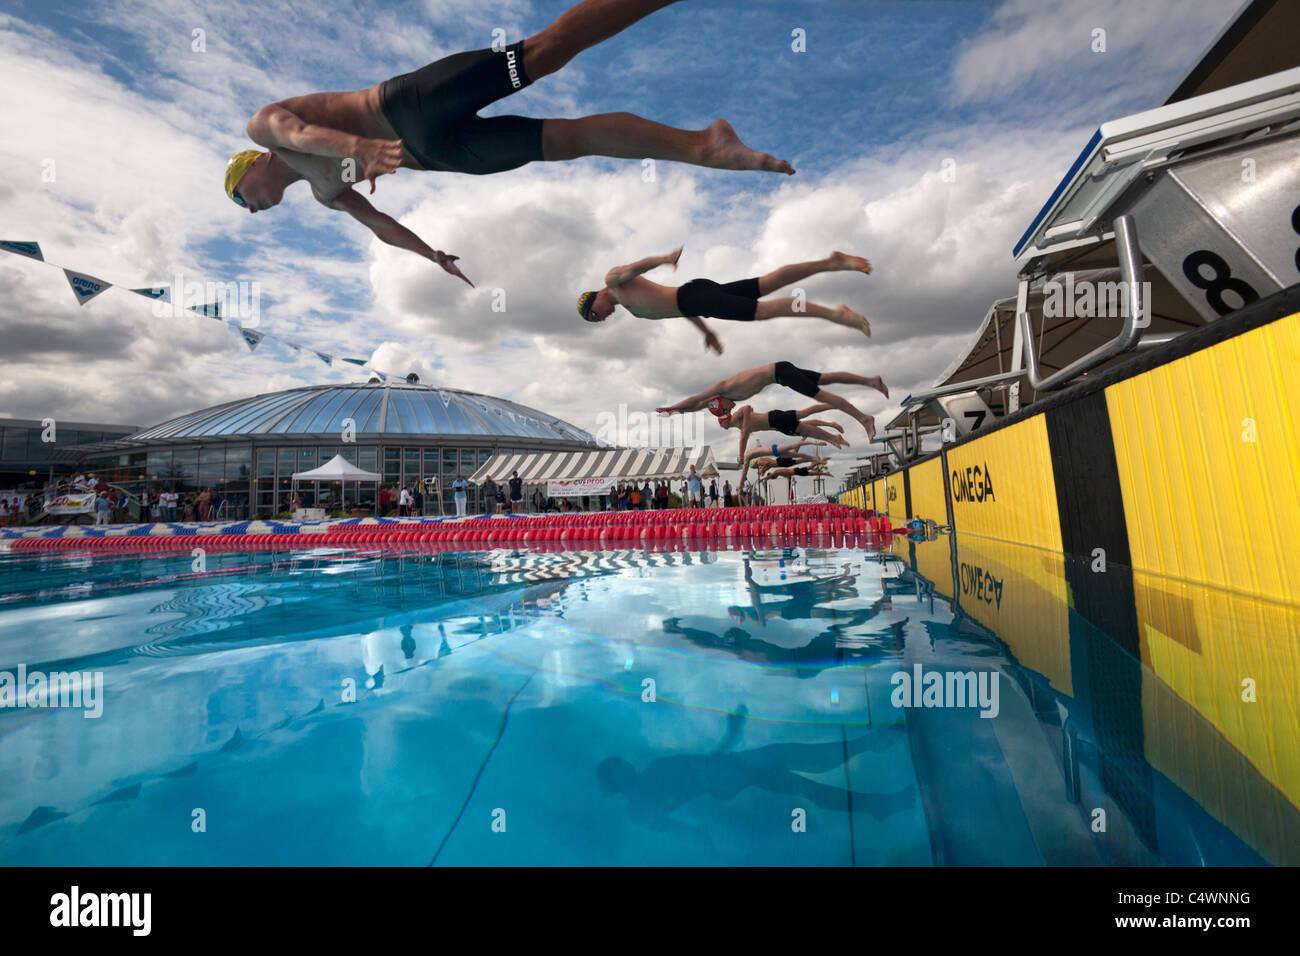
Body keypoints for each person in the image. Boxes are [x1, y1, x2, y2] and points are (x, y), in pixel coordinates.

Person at [224, 0, 791, 281]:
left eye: (239, 199)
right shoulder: (325, 195)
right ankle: (703, 145)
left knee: (542, 55)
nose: (249, 210)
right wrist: (431, 254)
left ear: (247, 169)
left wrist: (363, 148)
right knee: (570, 141)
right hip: (444, 155)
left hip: (408, 106)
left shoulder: (262, 127)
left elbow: (299, 133)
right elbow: (379, 224)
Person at [577, 250, 872, 352]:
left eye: (593, 316)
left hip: (696, 295)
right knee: (766, 283)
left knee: (766, 311)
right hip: (695, 297)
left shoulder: (612, 281)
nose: (599, 320)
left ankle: (837, 315)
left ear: (593, 301)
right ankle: (830, 263)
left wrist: (665, 259)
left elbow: (636, 268)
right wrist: (707, 332)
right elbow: (678, 310)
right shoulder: (631, 309)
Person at [657, 359, 888, 439]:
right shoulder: (724, 397)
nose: (731, 409)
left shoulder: (724, 387)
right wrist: (676, 412)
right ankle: (870, 381)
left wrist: (672, 406)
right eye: (727, 412)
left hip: (781, 373)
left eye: (726, 410)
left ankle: (863, 418)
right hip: (781, 373)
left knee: (822, 394)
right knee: (824, 379)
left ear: (720, 400)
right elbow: (696, 406)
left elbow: (695, 398)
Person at [722, 403, 848, 479]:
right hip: (777, 426)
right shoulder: (739, 426)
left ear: (723, 421)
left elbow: (747, 408)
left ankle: (833, 407)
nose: (722, 427)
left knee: (804, 414)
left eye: (721, 424)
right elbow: (743, 439)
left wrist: (745, 429)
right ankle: (832, 429)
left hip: (774, 418)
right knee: (804, 427)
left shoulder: (734, 419)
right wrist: (741, 456)